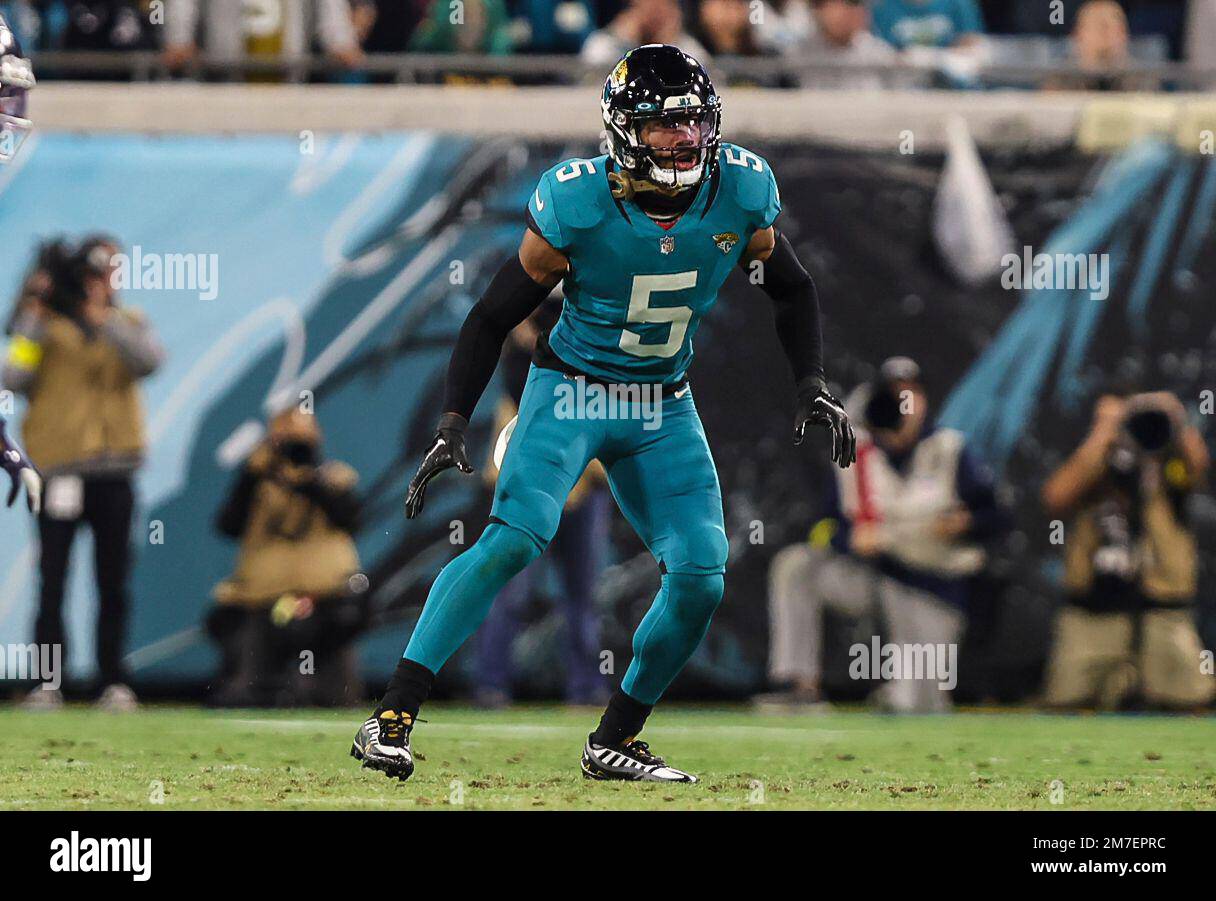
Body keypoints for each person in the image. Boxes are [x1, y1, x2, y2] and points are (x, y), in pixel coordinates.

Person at [351, 44, 855, 784]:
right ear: (623, 131)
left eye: (692, 122)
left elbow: (793, 286)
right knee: (513, 540)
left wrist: (811, 380)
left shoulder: (740, 190)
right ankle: (391, 715)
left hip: (663, 403)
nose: (684, 140)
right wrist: (454, 419)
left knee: (701, 575)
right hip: (571, 390)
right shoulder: (578, 202)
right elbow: (493, 316)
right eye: (663, 126)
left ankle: (616, 736)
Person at [761, 357, 1008, 712]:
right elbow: (825, 525)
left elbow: (999, 519)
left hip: (931, 589)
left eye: (911, 395)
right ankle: (799, 685)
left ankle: (897, 689)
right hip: (872, 580)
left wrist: (964, 523)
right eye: (894, 397)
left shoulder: (949, 449)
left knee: (915, 705)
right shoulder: (856, 454)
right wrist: (848, 541)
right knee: (797, 565)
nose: (904, 405)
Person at [2, 237, 164, 710]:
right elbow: (12, 377)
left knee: (112, 582)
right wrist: (34, 309)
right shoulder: (44, 325)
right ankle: (46, 683)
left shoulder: (126, 321)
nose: (98, 281)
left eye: (107, 272)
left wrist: (103, 315)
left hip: (115, 470)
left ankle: (112, 680)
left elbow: (149, 361)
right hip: (60, 467)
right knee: (52, 580)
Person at [1041, 389, 1214, 709]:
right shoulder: (1094, 459)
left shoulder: (1168, 460)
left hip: (1162, 609)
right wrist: (1104, 434)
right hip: (1093, 611)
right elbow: (1055, 497)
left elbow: (1200, 468)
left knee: (1190, 704)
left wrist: (1175, 420)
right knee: (1067, 706)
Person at [208, 409, 364, 707]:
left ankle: (323, 687)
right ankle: (256, 686)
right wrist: (252, 475)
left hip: (326, 598)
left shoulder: (334, 476)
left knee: (338, 685)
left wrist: (310, 479)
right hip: (262, 599)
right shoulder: (258, 482)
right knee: (243, 667)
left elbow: (351, 518)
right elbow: (228, 526)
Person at [162, 0, 364, 76]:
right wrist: (179, 38)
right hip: (227, 73)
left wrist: (340, 41)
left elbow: (329, 7)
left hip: (289, 71)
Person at [580, 0, 710, 67]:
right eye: (647, 4)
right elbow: (590, 73)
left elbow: (702, 70)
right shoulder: (607, 42)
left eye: (661, 6)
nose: (653, 13)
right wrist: (624, 41)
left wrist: (667, 48)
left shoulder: (685, 45)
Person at [869, 0, 985, 49]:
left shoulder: (959, 4)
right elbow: (878, 49)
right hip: (901, 84)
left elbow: (971, 43)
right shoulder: (882, 7)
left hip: (952, 87)